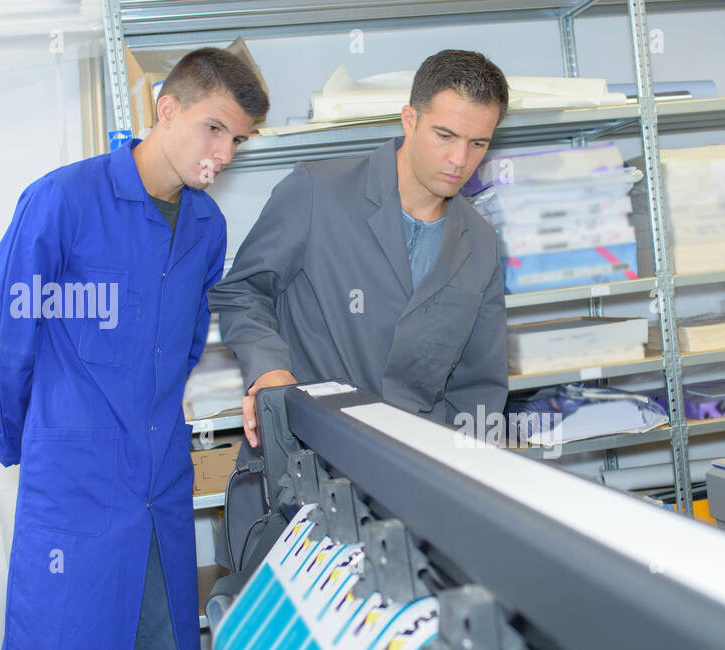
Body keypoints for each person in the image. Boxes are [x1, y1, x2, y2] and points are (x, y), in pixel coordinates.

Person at [0, 48, 268, 650]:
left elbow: (169, 358)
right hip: (74, 491)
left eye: (238, 140)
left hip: (159, 490)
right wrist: (36, 447)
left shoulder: (208, 228)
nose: (222, 153)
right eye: (213, 127)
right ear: (164, 109)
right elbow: (2, 341)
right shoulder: (61, 204)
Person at [208, 49, 509, 570]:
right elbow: (243, 291)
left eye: (478, 143)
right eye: (445, 135)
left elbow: (478, 385)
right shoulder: (316, 192)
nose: (460, 160)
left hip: (412, 495)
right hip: (299, 477)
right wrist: (269, 368)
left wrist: (470, 488)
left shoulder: (480, 243)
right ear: (409, 119)